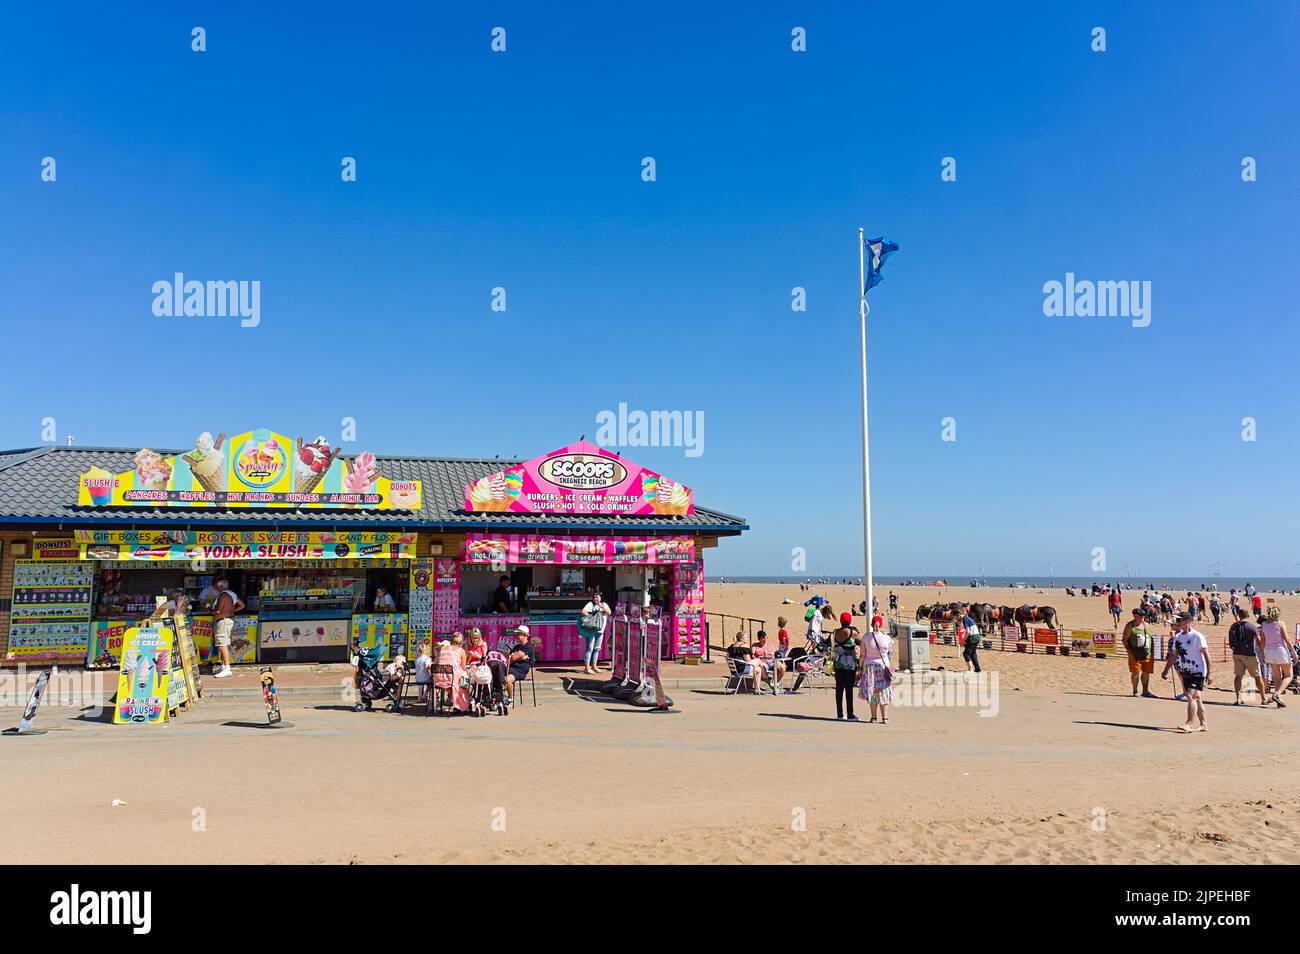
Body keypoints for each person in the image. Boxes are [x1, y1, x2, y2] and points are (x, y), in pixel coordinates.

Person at [1160, 613, 1211, 732]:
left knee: (1190, 696)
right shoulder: (1178, 637)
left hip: (1197, 671)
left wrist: (1210, 672)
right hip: (1185, 670)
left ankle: (1189, 723)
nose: (1177, 622)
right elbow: (1173, 655)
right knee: (1197, 697)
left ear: (1188, 621)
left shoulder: (1197, 636)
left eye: (1180, 620)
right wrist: (1166, 670)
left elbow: (1206, 654)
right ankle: (1204, 724)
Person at [1228, 607, 1267, 706]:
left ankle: (1238, 698)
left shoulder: (1233, 626)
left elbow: (1230, 640)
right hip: (1249, 654)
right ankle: (1263, 698)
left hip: (1237, 653)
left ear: (1239, 615)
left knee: (1238, 676)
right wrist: (1263, 652)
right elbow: (1258, 641)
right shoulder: (1251, 626)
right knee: (1257, 677)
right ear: (1248, 615)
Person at [859, 616, 893, 723]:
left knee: (872, 691)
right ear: (881, 625)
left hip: (869, 667)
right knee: (883, 692)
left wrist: (860, 667)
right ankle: (885, 718)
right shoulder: (886, 638)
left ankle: (873, 717)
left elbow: (862, 655)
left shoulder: (866, 637)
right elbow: (890, 653)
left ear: (871, 624)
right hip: (883, 667)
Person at [211, 578, 245, 678]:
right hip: (228, 619)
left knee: (222, 645)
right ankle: (223, 665)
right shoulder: (231, 594)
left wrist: (210, 610)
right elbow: (242, 605)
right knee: (223, 643)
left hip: (223, 621)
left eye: (217, 586)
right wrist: (233, 610)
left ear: (221, 586)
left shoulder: (223, 595)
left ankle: (227, 668)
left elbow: (218, 611)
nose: (216, 588)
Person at [1259, 608, 1293, 707]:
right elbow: (1287, 639)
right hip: (1280, 650)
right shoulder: (1280, 623)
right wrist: (1294, 652)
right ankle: (1277, 694)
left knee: (1276, 675)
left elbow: (1262, 641)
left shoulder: (1264, 625)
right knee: (1289, 675)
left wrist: (1263, 653)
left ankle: (1279, 700)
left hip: (1269, 651)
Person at [1122, 607, 1157, 698]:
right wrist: (1129, 652)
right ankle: (1135, 690)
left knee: (1146, 672)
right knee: (1135, 672)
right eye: (1140, 616)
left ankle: (1145, 691)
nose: (1142, 617)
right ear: (1135, 616)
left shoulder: (1146, 625)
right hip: (1135, 653)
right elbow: (1124, 640)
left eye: (1143, 616)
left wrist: (1152, 652)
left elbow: (1150, 638)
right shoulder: (1130, 626)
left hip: (1147, 653)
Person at [831, 611, 860, 722]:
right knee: (849, 689)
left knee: (839, 688)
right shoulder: (852, 633)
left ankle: (839, 713)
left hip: (838, 663)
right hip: (850, 664)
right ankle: (850, 714)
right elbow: (861, 642)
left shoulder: (835, 632)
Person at [579, 590, 611, 675]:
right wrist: (591, 615)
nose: (595, 598)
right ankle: (587, 667)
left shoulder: (604, 605)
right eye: (594, 597)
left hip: (600, 630)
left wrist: (601, 606)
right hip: (591, 630)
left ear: (601, 598)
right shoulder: (590, 604)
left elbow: (609, 612)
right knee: (589, 648)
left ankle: (594, 666)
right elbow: (583, 611)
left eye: (597, 597)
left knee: (597, 649)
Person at [504, 625, 535, 706]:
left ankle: (510, 699)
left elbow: (513, 658)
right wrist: (519, 658)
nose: (516, 636)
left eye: (518, 634)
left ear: (525, 635)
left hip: (520, 671)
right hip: (510, 669)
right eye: (516, 634)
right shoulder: (516, 647)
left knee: (507, 680)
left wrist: (514, 657)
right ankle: (497, 699)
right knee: (495, 673)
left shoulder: (529, 646)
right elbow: (508, 660)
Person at [413, 639, 434, 704]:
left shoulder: (417, 659)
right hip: (425, 679)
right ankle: (426, 694)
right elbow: (427, 667)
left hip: (418, 679)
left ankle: (426, 695)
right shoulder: (427, 659)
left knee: (431, 680)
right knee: (434, 681)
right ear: (426, 651)